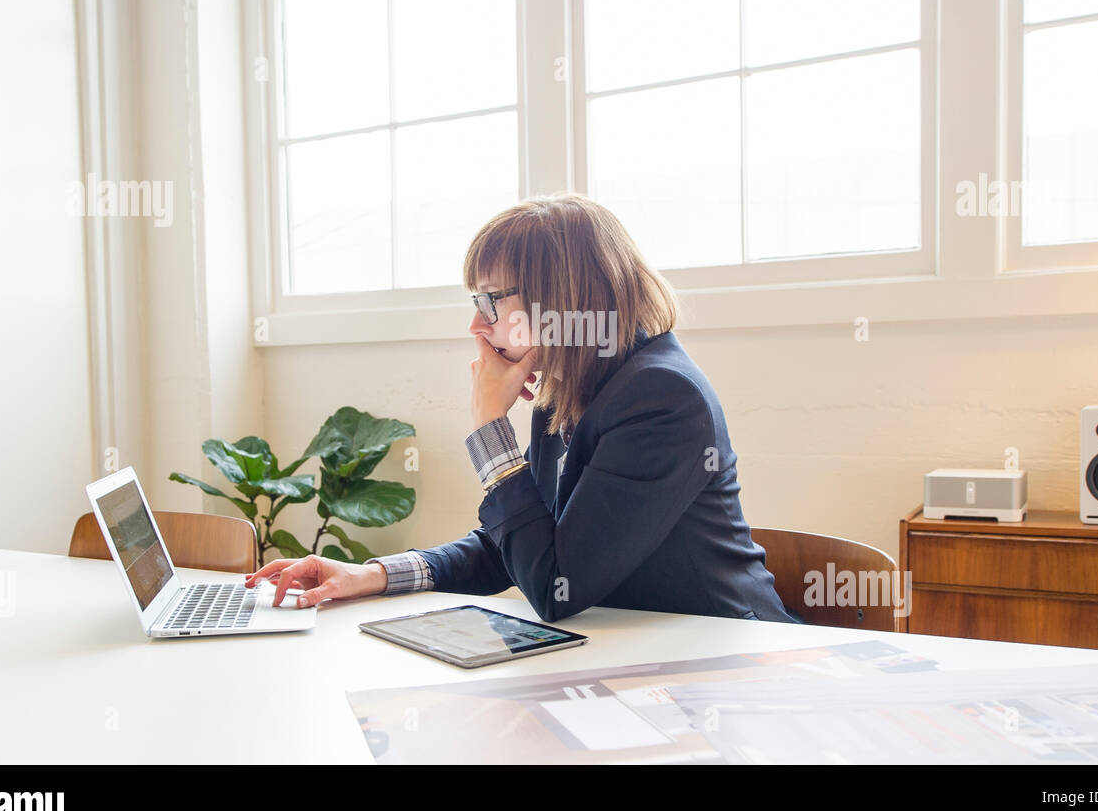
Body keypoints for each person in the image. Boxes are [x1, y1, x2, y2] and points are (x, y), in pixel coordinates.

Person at [245, 193, 800, 624]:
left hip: (727, 662)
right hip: (638, 659)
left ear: (562, 298)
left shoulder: (663, 399)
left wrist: (491, 432)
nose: (475, 325)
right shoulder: (570, 386)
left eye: (490, 300)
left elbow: (556, 584)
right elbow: (515, 545)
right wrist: (373, 575)